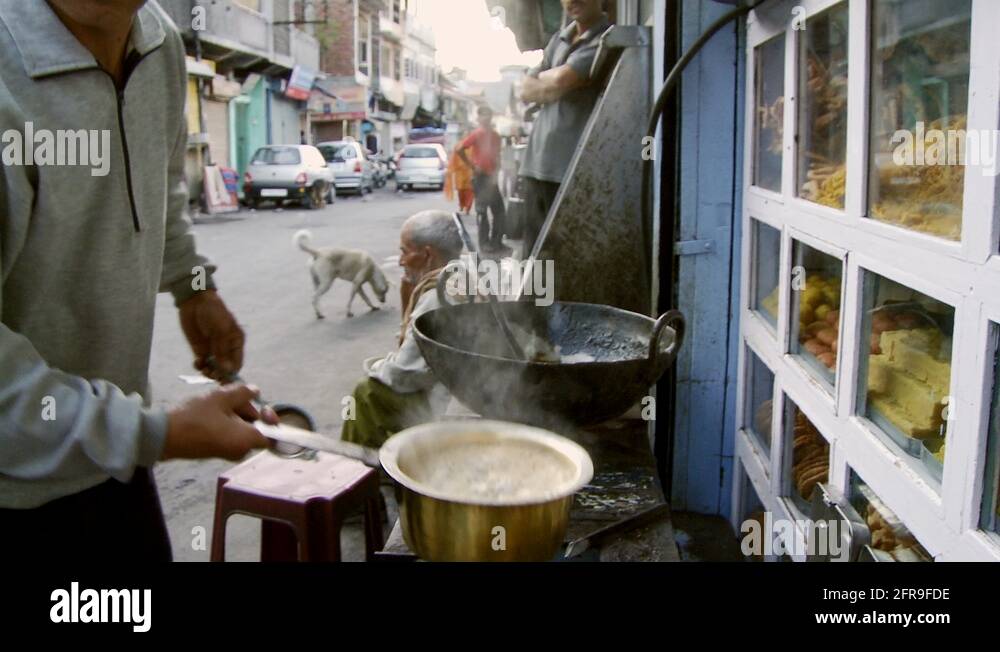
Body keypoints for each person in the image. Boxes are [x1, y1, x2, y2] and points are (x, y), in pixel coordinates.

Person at [0, 0, 272, 562]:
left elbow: (162, 186)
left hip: (115, 463)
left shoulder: (159, 44)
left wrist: (193, 284)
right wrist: (157, 433)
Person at [341, 211, 463, 449]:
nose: (399, 261)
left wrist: (377, 367)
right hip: (455, 390)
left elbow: (403, 375)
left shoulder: (439, 297)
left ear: (427, 254)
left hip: (441, 401)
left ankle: (355, 469)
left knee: (364, 393)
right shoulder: (463, 274)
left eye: (404, 252)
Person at [519, 0, 611, 259]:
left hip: (568, 167)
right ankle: (531, 301)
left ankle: (558, 301)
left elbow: (561, 80)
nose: (573, 1)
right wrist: (548, 85)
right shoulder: (559, 38)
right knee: (532, 253)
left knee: (563, 254)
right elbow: (525, 89)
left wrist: (547, 81)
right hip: (535, 163)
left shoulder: (605, 37)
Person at [457, 105, 510, 255]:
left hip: (491, 178)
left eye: (488, 115)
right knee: (482, 212)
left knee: (499, 211)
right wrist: (472, 166)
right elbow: (459, 149)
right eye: (483, 115)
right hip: (480, 178)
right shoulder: (477, 134)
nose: (486, 118)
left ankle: (497, 242)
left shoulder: (496, 136)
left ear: (491, 117)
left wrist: (497, 170)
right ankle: (484, 244)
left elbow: (497, 155)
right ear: (478, 118)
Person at [444, 140, 475, 215]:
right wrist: (450, 169)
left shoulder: (474, 146)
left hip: (470, 171)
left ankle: (468, 207)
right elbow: (453, 159)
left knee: (470, 190)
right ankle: (462, 204)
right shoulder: (458, 145)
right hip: (460, 172)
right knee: (461, 191)